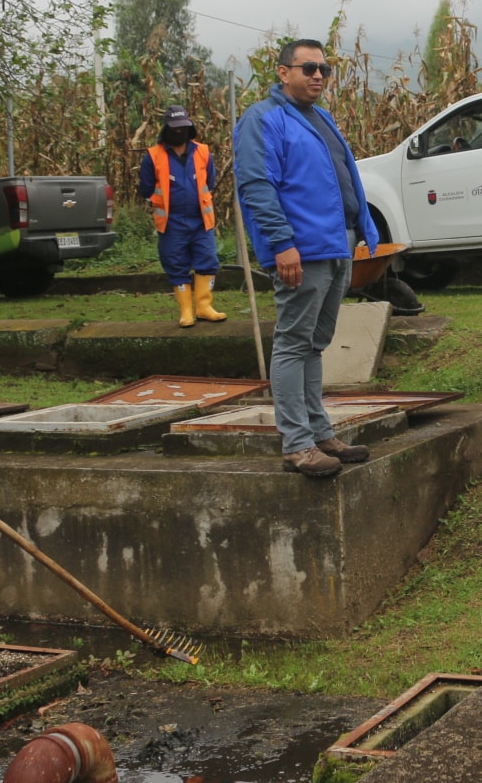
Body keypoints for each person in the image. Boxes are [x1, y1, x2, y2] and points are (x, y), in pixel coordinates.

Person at [234, 39, 380, 480]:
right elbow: (257, 185)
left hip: (336, 244)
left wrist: (360, 232)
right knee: (294, 342)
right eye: (309, 68)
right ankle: (297, 444)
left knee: (315, 343)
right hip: (303, 248)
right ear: (283, 73)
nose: (318, 76)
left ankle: (319, 433)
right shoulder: (263, 119)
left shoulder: (319, 117)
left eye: (324, 69)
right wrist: (282, 244)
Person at [139, 104, 228, 329]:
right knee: (175, 263)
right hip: (171, 222)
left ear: (189, 128)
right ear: (166, 129)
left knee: (208, 260)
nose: (179, 131)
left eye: (183, 127)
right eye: (174, 128)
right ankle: (186, 311)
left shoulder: (203, 152)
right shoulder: (153, 156)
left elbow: (209, 182)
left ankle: (204, 307)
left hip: (201, 221)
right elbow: (146, 189)